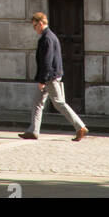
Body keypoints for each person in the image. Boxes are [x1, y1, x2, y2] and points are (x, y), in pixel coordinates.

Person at [19, 11, 88, 140]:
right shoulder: (50, 36)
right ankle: (33, 131)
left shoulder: (47, 38)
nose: (35, 29)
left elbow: (47, 61)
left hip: (49, 77)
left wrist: (43, 80)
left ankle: (80, 127)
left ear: (40, 23)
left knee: (59, 103)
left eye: (35, 26)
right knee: (37, 103)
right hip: (50, 76)